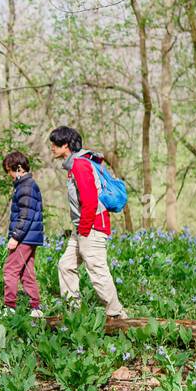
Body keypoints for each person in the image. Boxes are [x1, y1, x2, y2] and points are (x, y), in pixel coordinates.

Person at [49, 126, 127, 318]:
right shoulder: (74, 165)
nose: (51, 147)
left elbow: (90, 200)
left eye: (54, 144)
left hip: (91, 227)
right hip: (83, 228)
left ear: (65, 145)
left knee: (97, 271)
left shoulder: (80, 165)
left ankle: (116, 314)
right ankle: (73, 313)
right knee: (66, 265)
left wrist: (83, 230)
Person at [2, 151, 44, 317]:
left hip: (24, 237)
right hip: (31, 237)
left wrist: (15, 237)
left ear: (18, 168)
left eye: (9, 171)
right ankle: (35, 308)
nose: (9, 175)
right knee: (26, 272)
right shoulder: (28, 185)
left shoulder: (25, 186)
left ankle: (10, 307)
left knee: (10, 270)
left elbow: (26, 215)